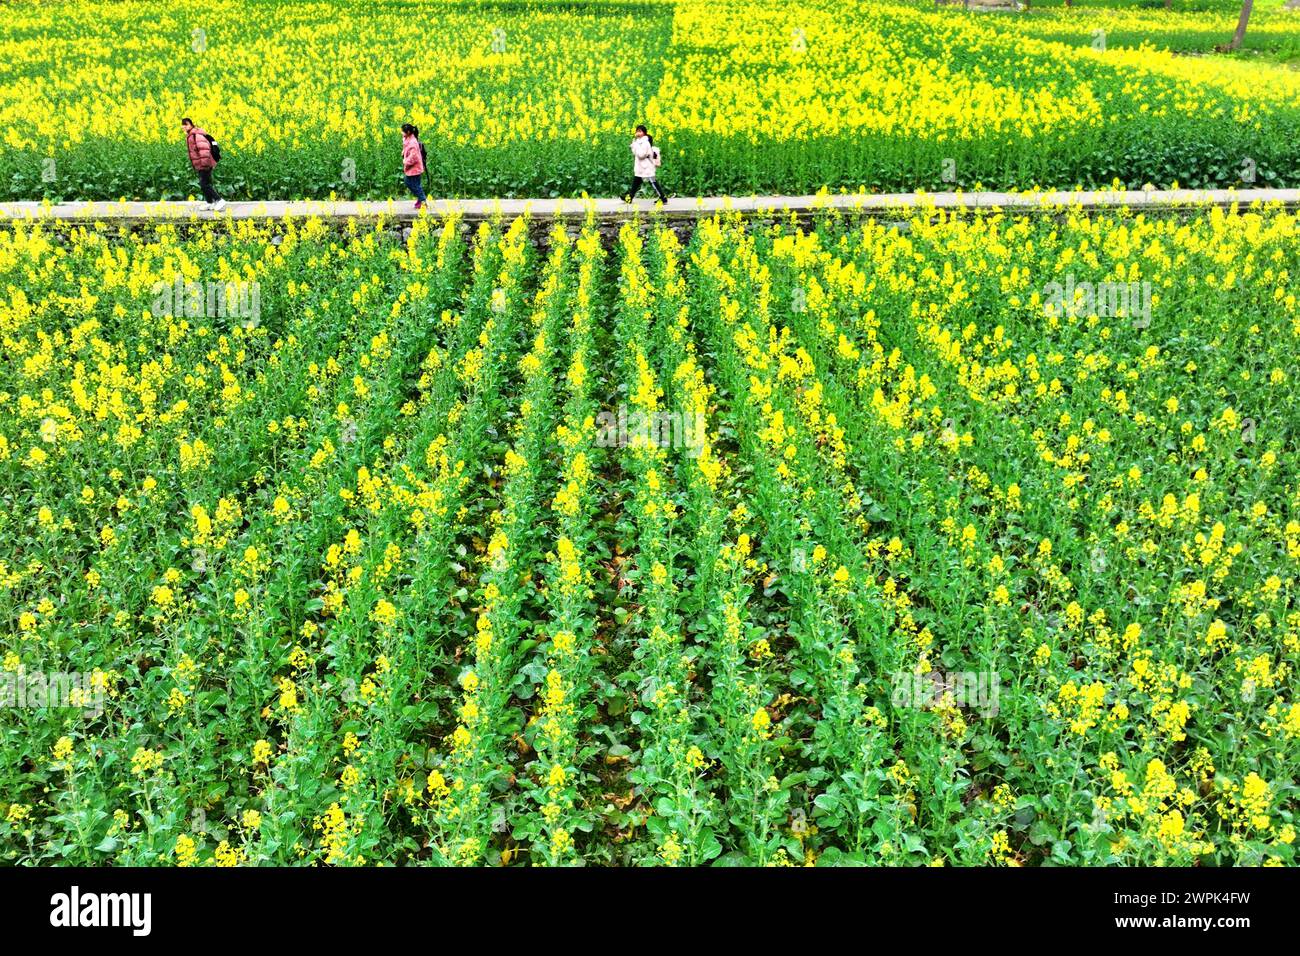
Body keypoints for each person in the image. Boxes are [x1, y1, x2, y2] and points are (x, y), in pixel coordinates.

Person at [182, 118, 226, 211]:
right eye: (183, 125)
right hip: (201, 163)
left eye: (186, 124)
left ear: (191, 125)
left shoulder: (196, 135)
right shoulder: (191, 135)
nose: (183, 127)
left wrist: (204, 164)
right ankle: (210, 202)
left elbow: (204, 150)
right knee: (206, 182)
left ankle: (219, 200)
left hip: (204, 163)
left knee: (204, 184)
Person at [621, 124, 667, 204]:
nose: (637, 133)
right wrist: (634, 145)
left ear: (644, 133)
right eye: (637, 131)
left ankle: (663, 198)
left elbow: (641, 155)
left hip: (646, 167)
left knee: (653, 182)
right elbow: (635, 153)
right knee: (636, 182)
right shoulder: (639, 142)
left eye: (640, 131)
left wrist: (634, 145)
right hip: (640, 167)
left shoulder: (645, 143)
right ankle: (629, 197)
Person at [401, 123, 427, 210]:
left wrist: (405, 161)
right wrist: (403, 152)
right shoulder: (409, 138)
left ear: (408, 132)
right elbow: (405, 144)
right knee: (415, 184)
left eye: (403, 131)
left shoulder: (413, 143)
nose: (401, 133)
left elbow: (414, 157)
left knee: (411, 183)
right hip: (412, 168)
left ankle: (423, 201)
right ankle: (420, 199)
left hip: (414, 168)